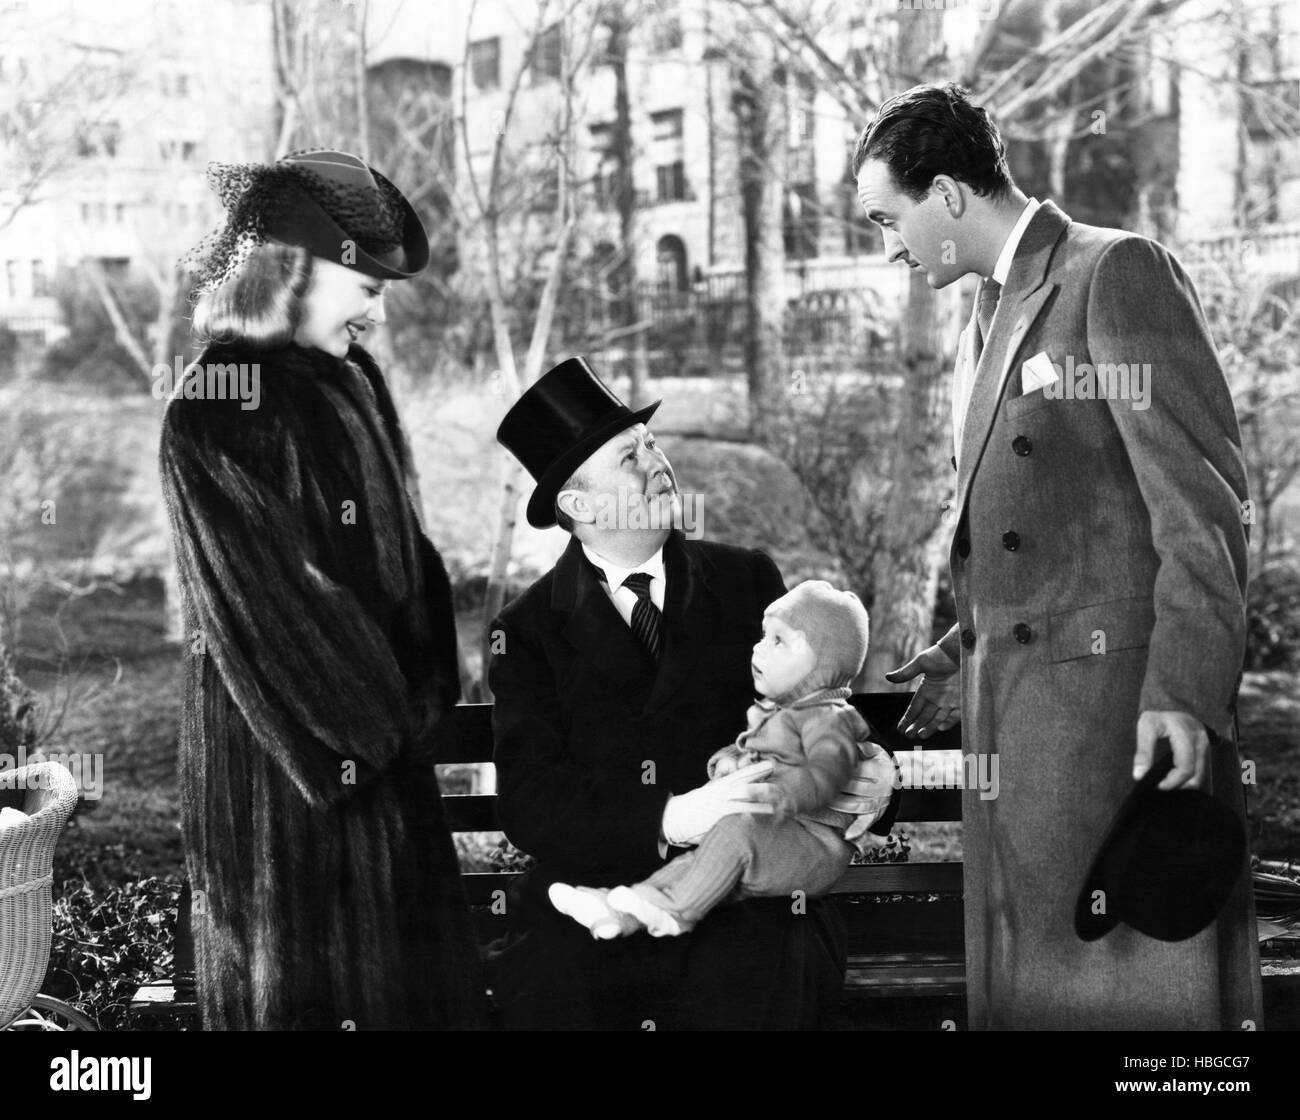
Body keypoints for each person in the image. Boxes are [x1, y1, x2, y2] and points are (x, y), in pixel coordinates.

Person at [853, 83, 1262, 1030]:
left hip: (1119, 736)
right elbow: (1065, 524)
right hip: (1024, 732)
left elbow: (1201, 515)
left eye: (890, 219)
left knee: (1137, 1020)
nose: (889, 248)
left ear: (948, 194)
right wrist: (963, 646)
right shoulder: (983, 319)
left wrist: (1182, 696)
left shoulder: (1116, 271)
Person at [159, 149, 486, 1030]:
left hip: (381, 765)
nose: (377, 314)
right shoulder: (220, 401)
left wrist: (420, 694)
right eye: (365, 286)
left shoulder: (347, 381)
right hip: (289, 785)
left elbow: (403, 559)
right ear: (288, 270)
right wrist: (389, 723)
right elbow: (271, 611)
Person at [487, 356, 848, 1030]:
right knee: (562, 980)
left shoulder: (745, 581)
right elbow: (532, 803)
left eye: (651, 442)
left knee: (763, 963)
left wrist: (855, 783)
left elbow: (814, 709)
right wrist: (670, 816)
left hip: (746, 892)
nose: (658, 462)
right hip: (595, 893)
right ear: (579, 504)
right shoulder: (528, 630)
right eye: (630, 456)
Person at [549, 579, 896, 939]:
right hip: (778, 835)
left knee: (733, 836)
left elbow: (827, 770)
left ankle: (674, 913)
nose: (758, 650)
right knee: (701, 862)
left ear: (822, 665)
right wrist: (728, 762)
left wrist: (785, 793)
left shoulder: (826, 719)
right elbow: (754, 749)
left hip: (813, 846)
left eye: (779, 641)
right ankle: (621, 911)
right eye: (763, 636)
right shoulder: (788, 710)